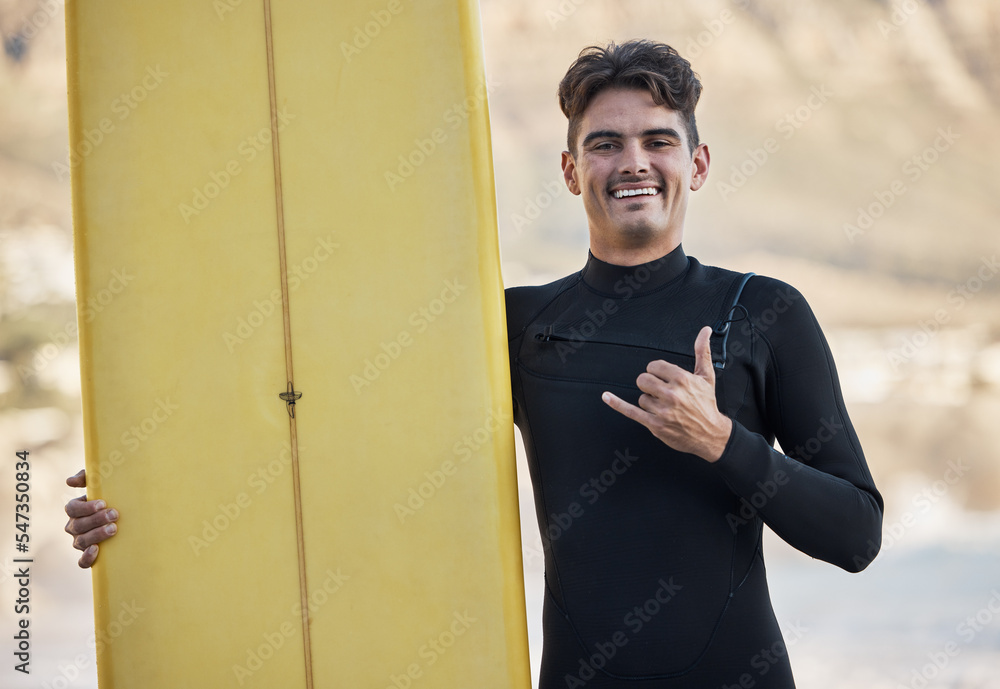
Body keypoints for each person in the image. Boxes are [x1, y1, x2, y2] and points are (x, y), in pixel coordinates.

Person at [66, 40, 883, 688]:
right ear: (571, 172)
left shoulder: (766, 312)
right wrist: (143, 491)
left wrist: (723, 442)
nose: (632, 161)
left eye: (657, 141)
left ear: (695, 165)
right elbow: (314, 410)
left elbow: (857, 533)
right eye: (605, 144)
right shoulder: (514, 323)